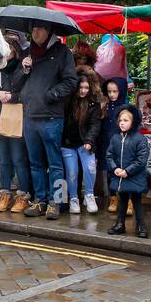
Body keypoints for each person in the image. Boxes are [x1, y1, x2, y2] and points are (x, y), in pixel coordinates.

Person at [3, 24, 78, 220]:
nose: (34, 32)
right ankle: (40, 200)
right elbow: (16, 84)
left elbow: (71, 81)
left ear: (49, 31)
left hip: (51, 116)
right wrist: (25, 69)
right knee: (35, 162)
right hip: (30, 116)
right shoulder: (28, 53)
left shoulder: (62, 52)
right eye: (32, 29)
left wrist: (51, 95)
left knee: (55, 163)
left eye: (38, 29)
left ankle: (57, 202)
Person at [0, 31, 31, 213]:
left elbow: (27, 92)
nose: (7, 51)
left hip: (17, 117)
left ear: (16, 49)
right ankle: (5, 194)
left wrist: (13, 96)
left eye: (10, 47)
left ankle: (22, 195)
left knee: (19, 159)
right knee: (3, 159)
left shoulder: (23, 67)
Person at [61, 67, 104, 215]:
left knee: (90, 168)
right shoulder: (67, 101)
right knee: (72, 172)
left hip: (85, 142)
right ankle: (73, 198)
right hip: (67, 144)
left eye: (86, 87)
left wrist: (89, 141)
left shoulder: (93, 104)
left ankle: (89, 195)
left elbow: (95, 124)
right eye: (80, 87)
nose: (83, 91)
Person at [106, 104, 150, 237]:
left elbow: (141, 160)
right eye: (120, 120)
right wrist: (115, 168)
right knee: (122, 199)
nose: (122, 123)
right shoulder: (115, 138)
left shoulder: (140, 139)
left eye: (126, 120)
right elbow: (109, 155)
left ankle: (141, 225)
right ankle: (120, 224)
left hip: (133, 176)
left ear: (133, 122)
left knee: (136, 201)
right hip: (120, 175)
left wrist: (128, 171)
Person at [98, 75, 130, 214]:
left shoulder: (126, 108)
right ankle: (113, 198)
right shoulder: (104, 106)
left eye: (115, 91)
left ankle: (127, 201)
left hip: (123, 145)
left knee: (125, 172)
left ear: (121, 91)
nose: (112, 94)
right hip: (106, 144)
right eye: (109, 91)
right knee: (110, 172)